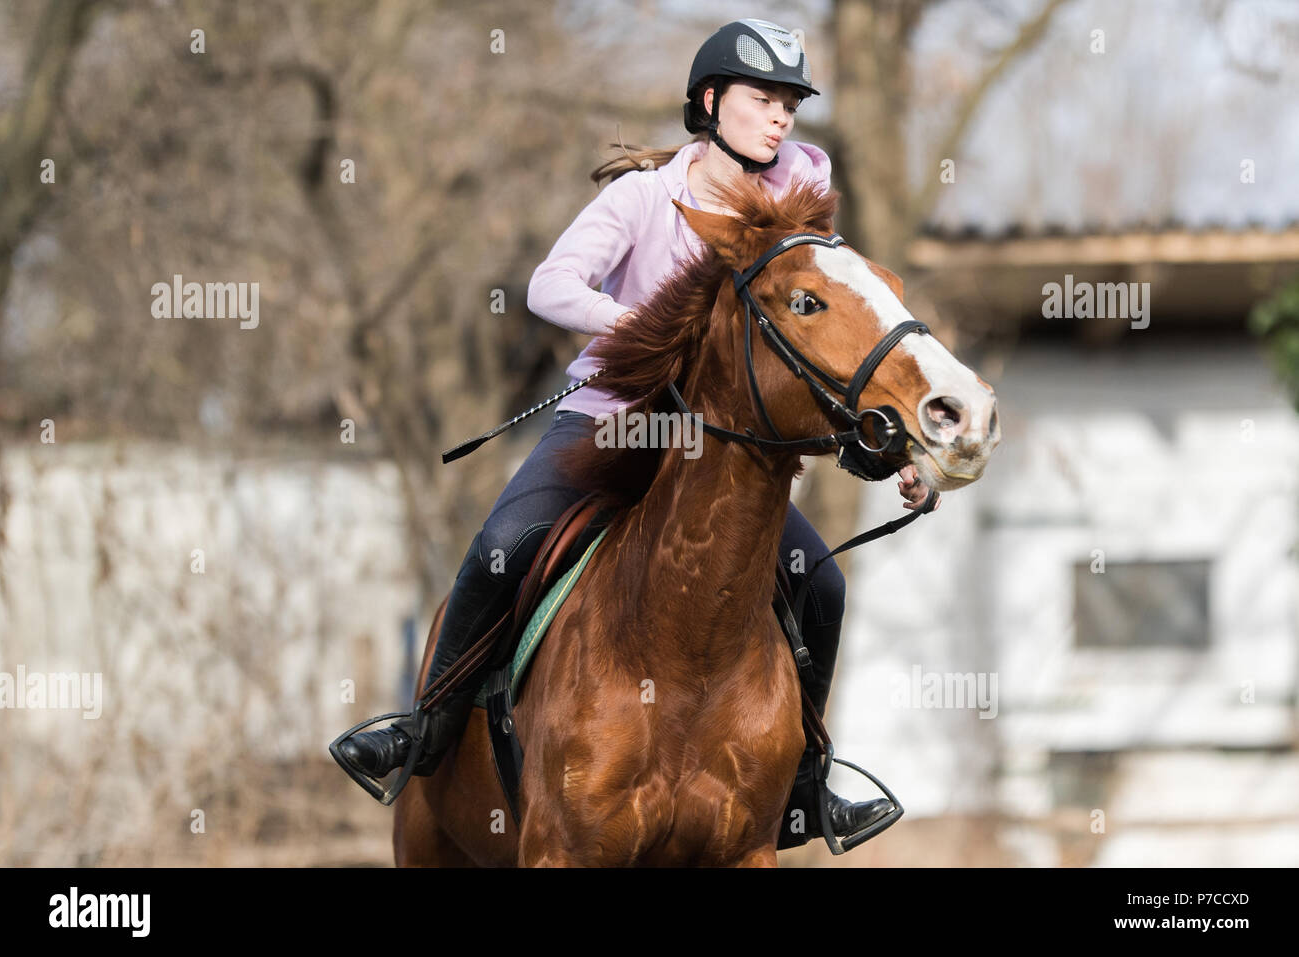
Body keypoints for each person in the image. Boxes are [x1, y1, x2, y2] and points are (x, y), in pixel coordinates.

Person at [333, 17, 937, 850]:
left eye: (791, 103)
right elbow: (552, 285)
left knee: (823, 586)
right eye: (764, 99)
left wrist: (900, 437)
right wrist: (647, 329)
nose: (781, 118)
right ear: (712, 100)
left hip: (721, 445)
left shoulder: (801, 196)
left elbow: (828, 330)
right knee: (505, 540)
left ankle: (805, 779)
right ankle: (424, 728)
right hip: (615, 421)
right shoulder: (642, 198)